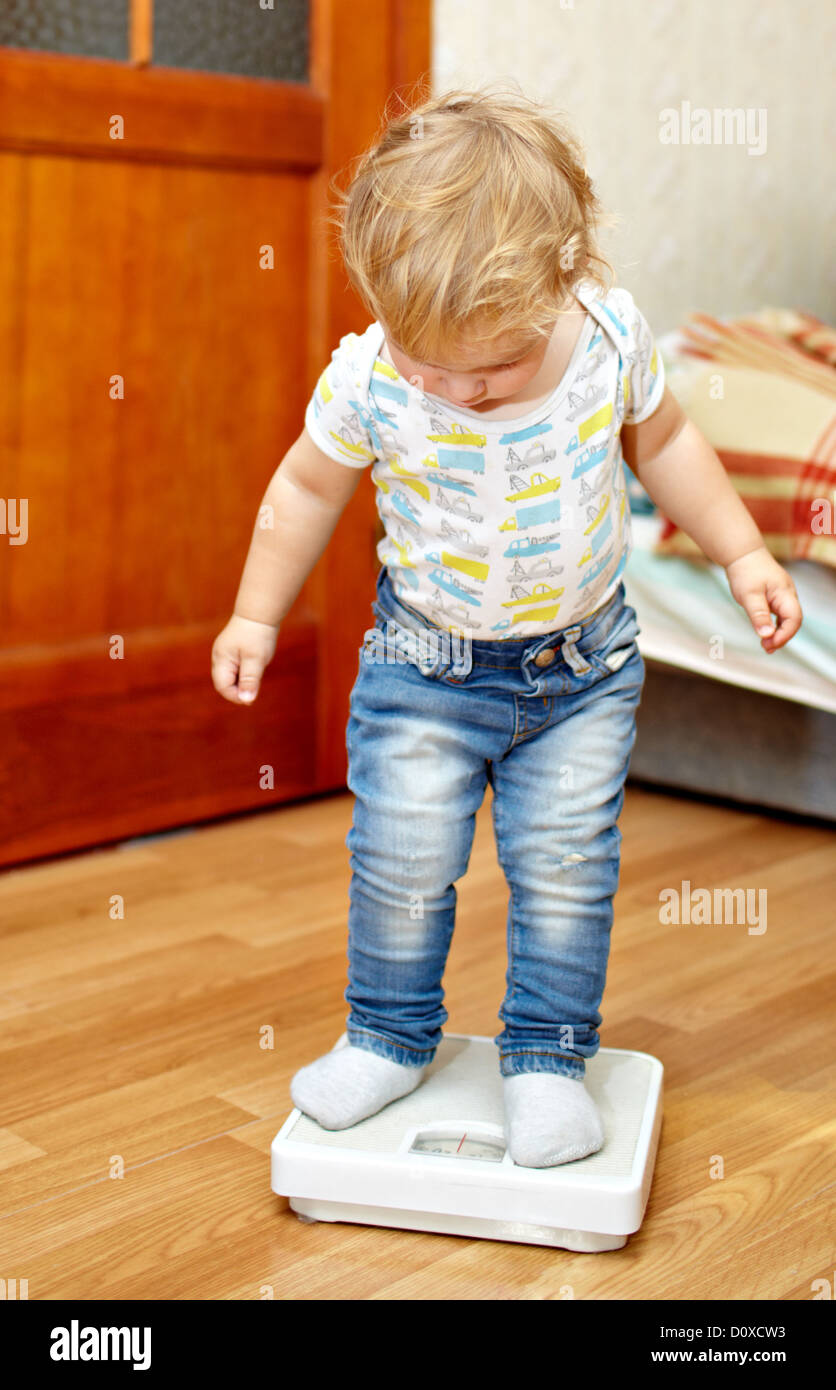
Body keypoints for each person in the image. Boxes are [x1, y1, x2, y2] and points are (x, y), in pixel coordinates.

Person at [211, 84, 802, 1167]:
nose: (462, 392)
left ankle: (547, 1057)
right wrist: (256, 612)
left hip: (579, 671)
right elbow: (301, 491)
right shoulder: (372, 376)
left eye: (494, 368)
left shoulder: (608, 339)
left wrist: (743, 551)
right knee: (399, 857)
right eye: (431, 366)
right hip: (421, 667)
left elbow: (667, 445)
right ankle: (387, 1035)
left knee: (564, 864)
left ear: (564, 277)